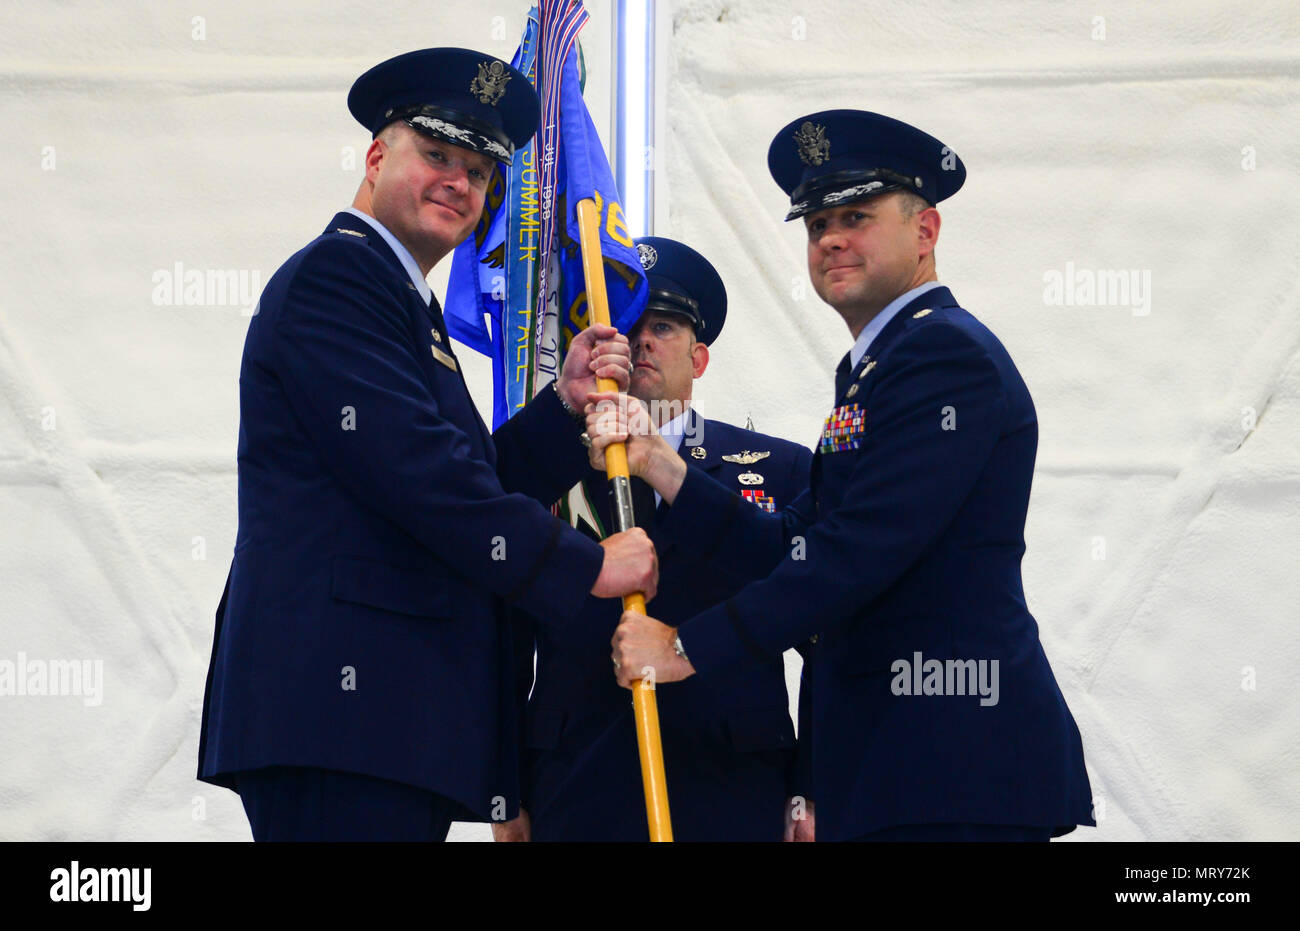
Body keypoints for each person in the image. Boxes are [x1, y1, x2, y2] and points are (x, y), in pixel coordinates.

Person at [196, 47, 658, 842]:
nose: (460, 182)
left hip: (384, 715)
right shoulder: (338, 279)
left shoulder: (398, 298)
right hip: (341, 711)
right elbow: (419, 473)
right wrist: (586, 564)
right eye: (436, 154)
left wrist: (563, 405)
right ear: (377, 157)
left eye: (480, 172)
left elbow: (462, 471)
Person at [598, 110, 1095, 842]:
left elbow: (857, 553)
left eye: (856, 216)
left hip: (950, 761)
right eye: (816, 223)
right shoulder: (877, 366)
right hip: (891, 764)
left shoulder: (943, 357)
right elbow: (800, 542)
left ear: (925, 231)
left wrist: (684, 647)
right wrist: (663, 465)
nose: (830, 238)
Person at [496, 237, 813, 842]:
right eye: (626, 323)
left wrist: (811, 786)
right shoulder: (540, 468)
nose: (639, 339)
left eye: (661, 326)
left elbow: (822, 633)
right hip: (577, 784)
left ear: (699, 359)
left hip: (731, 782)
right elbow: (504, 638)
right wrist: (504, 794)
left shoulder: (779, 469)